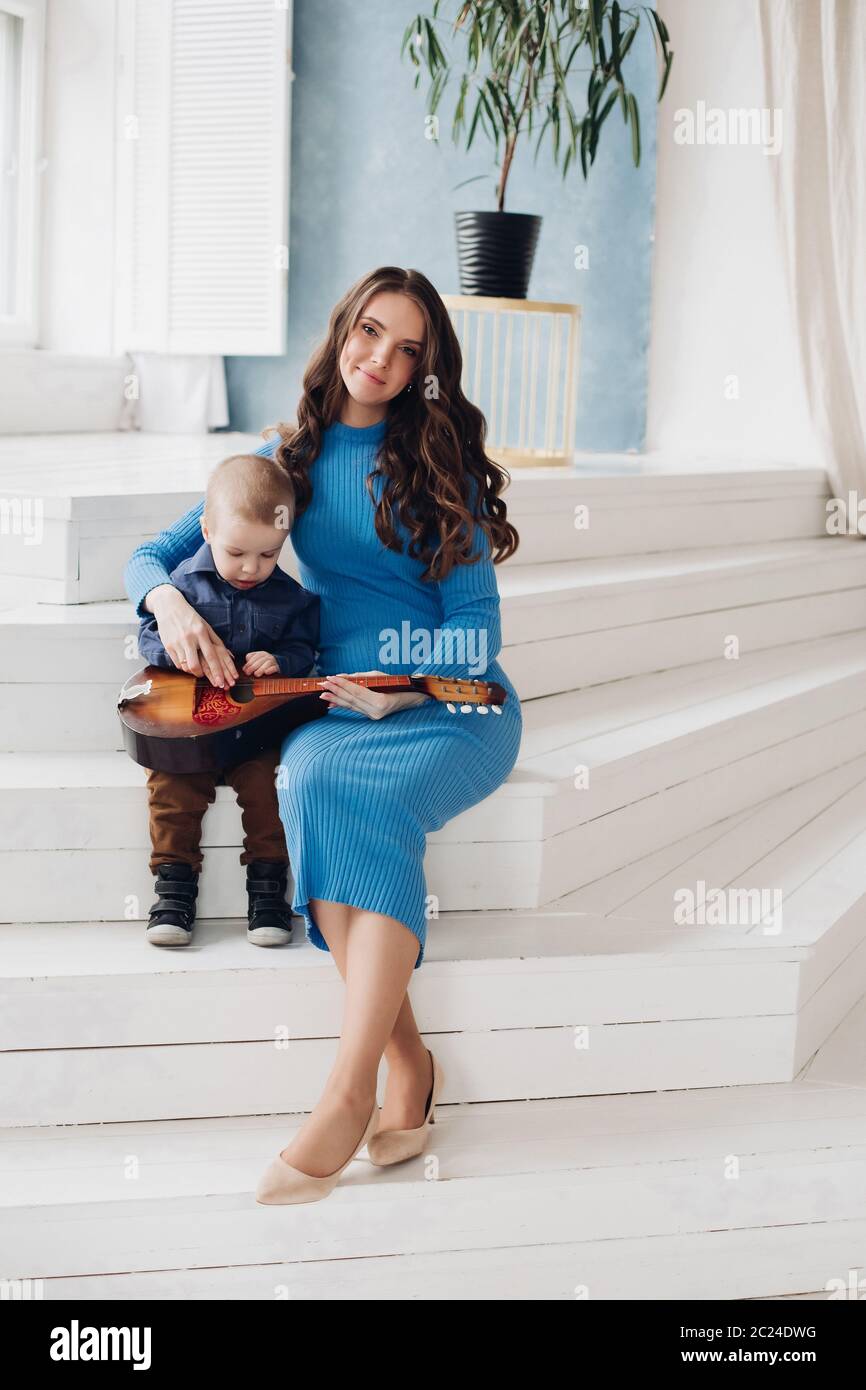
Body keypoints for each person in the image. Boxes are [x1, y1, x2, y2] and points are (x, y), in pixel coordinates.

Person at [123, 265, 523, 1204]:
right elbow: (154, 551)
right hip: (327, 699)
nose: (381, 357)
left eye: (408, 347)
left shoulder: (437, 462)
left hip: (450, 702)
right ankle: (413, 1067)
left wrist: (412, 687)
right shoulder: (288, 455)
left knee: (362, 793)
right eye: (370, 331)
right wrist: (169, 602)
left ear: (426, 367)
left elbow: (478, 627)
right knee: (309, 778)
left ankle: (350, 1094)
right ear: (343, 329)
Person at [134, 451, 322, 949]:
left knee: (271, 793)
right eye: (237, 551)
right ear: (208, 530)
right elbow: (150, 641)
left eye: (268, 555)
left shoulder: (291, 598)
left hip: (254, 735)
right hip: (191, 730)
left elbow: (305, 647)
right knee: (171, 789)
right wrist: (183, 659)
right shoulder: (181, 586)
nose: (251, 568)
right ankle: (173, 892)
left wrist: (281, 660)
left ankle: (267, 895)